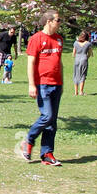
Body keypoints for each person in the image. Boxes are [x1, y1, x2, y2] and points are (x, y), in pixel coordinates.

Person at [22, 10, 64, 166]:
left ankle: (47, 153)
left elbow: (59, 63)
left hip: (56, 84)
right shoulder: (36, 39)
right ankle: (28, 140)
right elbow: (30, 63)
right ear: (49, 21)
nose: (60, 23)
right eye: (58, 20)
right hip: (42, 84)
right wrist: (32, 84)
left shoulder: (59, 39)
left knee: (52, 121)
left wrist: (62, 83)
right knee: (46, 116)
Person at [72, 30, 91, 95]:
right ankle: (81, 91)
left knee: (76, 75)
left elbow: (73, 54)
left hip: (77, 59)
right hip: (84, 59)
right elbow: (90, 53)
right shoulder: (88, 43)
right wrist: (86, 57)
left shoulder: (75, 43)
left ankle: (75, 92)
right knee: (82, 75)